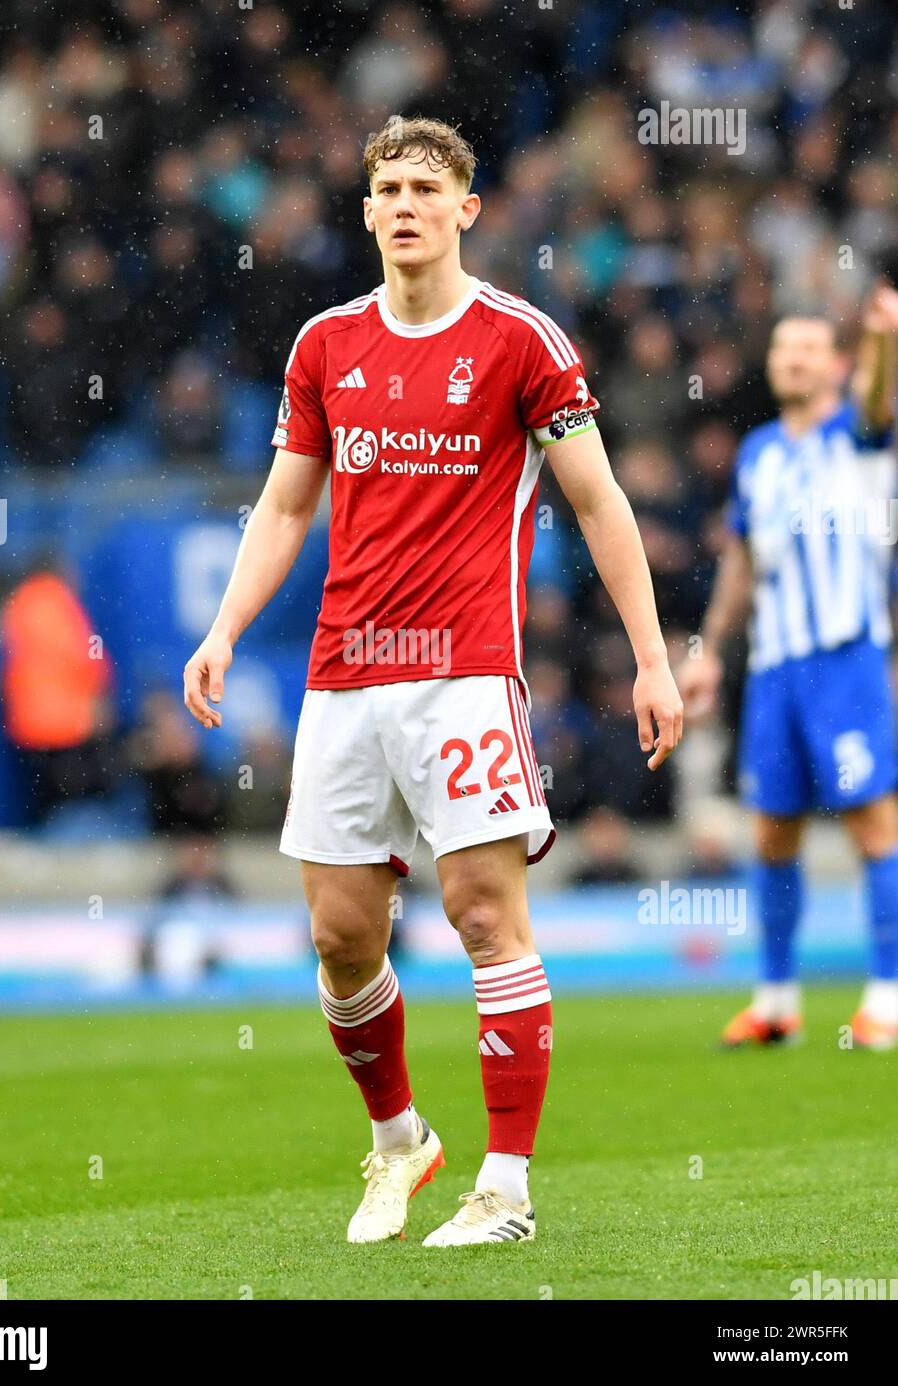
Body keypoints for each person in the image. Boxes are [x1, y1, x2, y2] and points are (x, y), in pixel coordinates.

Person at [184, 116, 682, 1245]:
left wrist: (654, 656)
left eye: (426, 188)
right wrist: (224, 628)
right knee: (343, 938)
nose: (404, 204)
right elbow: (285, 504)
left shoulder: (522, 341)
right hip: (343, 674)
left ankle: (505, 1190)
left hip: (464, 670)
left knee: (481, 915)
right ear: (364, 212)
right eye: (387, 188)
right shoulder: (323, 346)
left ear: (466, 210)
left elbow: (600, 504)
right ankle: (402, 1142)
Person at [679, 287, 898, 1050]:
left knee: (874, 823)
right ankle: (776, 1001)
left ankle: (888, 997)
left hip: (847, 657)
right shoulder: (759, 452)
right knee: (771, 831)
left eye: (807, 349)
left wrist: (882, 340)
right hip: (774, 668)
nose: (793, 360)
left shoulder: (859, 436)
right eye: (783, 349)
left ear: (833, 365)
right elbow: (740, 560)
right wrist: (708, 650)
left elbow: (879, 397)